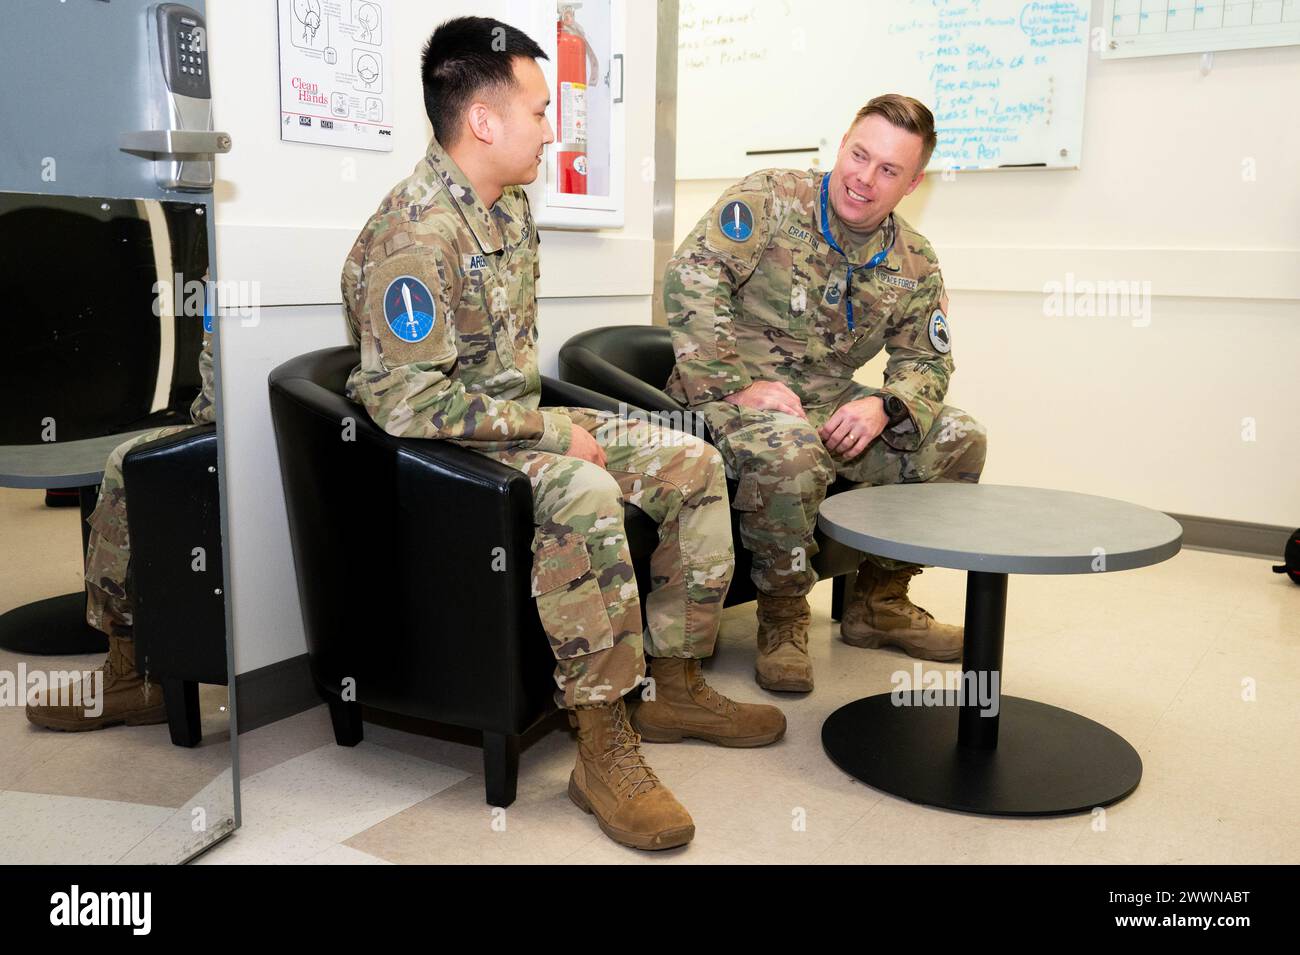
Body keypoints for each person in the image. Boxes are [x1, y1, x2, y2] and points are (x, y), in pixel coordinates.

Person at [342, 16, 785, 851]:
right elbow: (402, 404)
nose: (553, 128)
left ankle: (678, 680)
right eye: (542, 111)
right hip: (454, 447)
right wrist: (544, 432)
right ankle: (601, 742)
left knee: (692, 458)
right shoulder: (413, 233)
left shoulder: (506, 208)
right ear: (483, 120)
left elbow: (506, 365)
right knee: (582, 487)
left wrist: (547, 423)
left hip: (510, 420)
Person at [664, 94, 987, 692]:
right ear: (841, 144)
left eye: (888, 170)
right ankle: (783, 618)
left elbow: (927, 358)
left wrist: (883, 405)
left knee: (960, 438)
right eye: (859, 155)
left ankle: (879, 601)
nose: (864, 178)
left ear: (913, 182)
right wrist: (735, 385)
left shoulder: (914, 260)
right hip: (727, 398)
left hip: (828, 400)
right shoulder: (768, 199)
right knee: (793, 451)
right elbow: (693, 276)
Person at [27, 280, 216, 730]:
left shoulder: (231, 257)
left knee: (127, 463)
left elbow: (215, 406)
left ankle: (133, 676)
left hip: (234, 442)